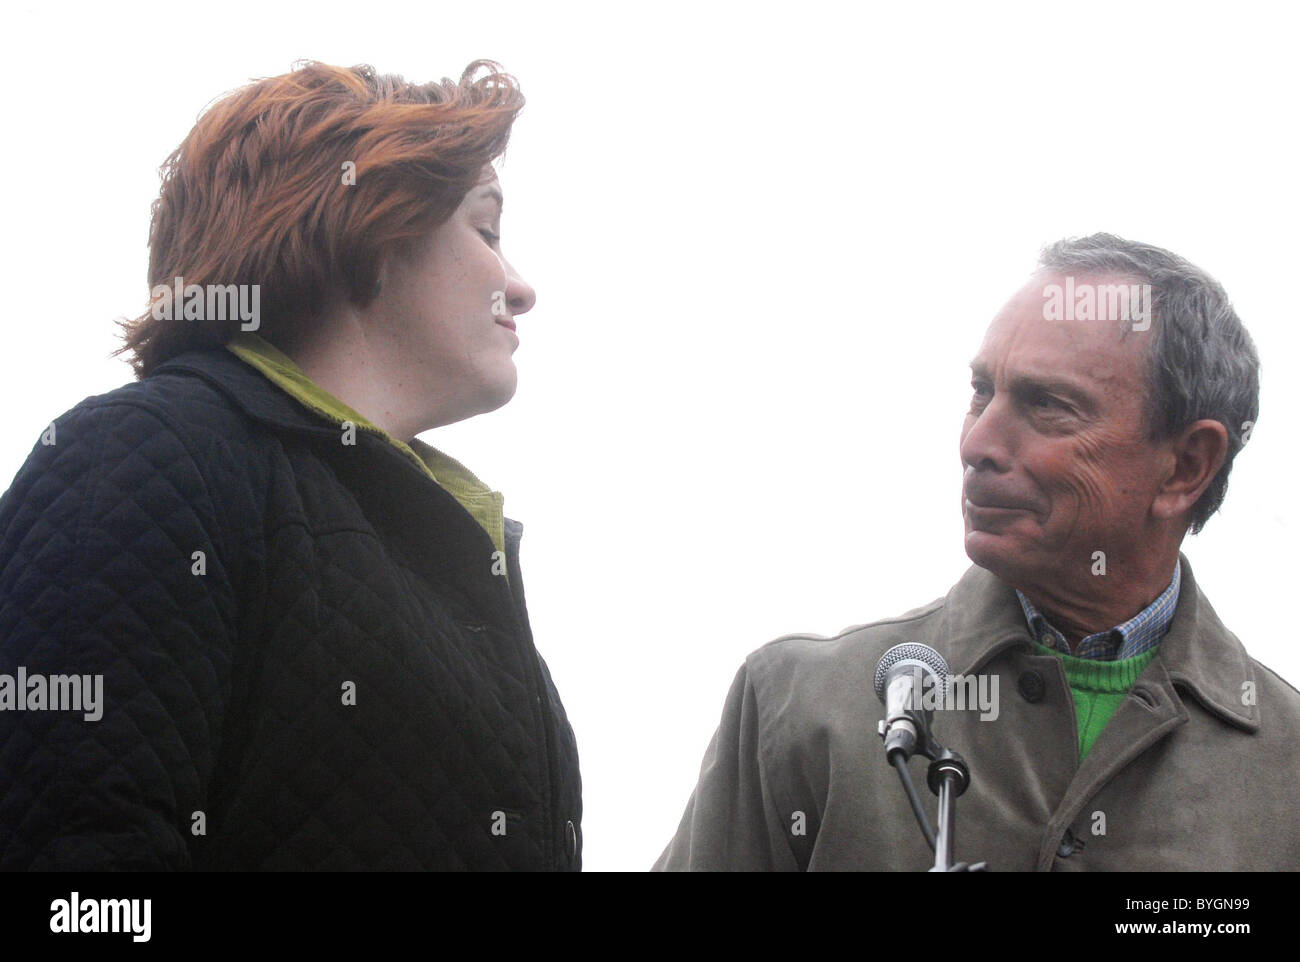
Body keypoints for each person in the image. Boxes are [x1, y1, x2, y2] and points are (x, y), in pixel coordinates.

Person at [0, 60, 582, 870]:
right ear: (373, 226)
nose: (521, 289)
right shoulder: (146, 455)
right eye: (485, 231)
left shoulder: (456, 567)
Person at [654, 233, 1300, 871]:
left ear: (1186, 466)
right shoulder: (800, 709)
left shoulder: (1287, 766)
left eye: (1048, 405)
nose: (978, 444)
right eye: (982, 392)